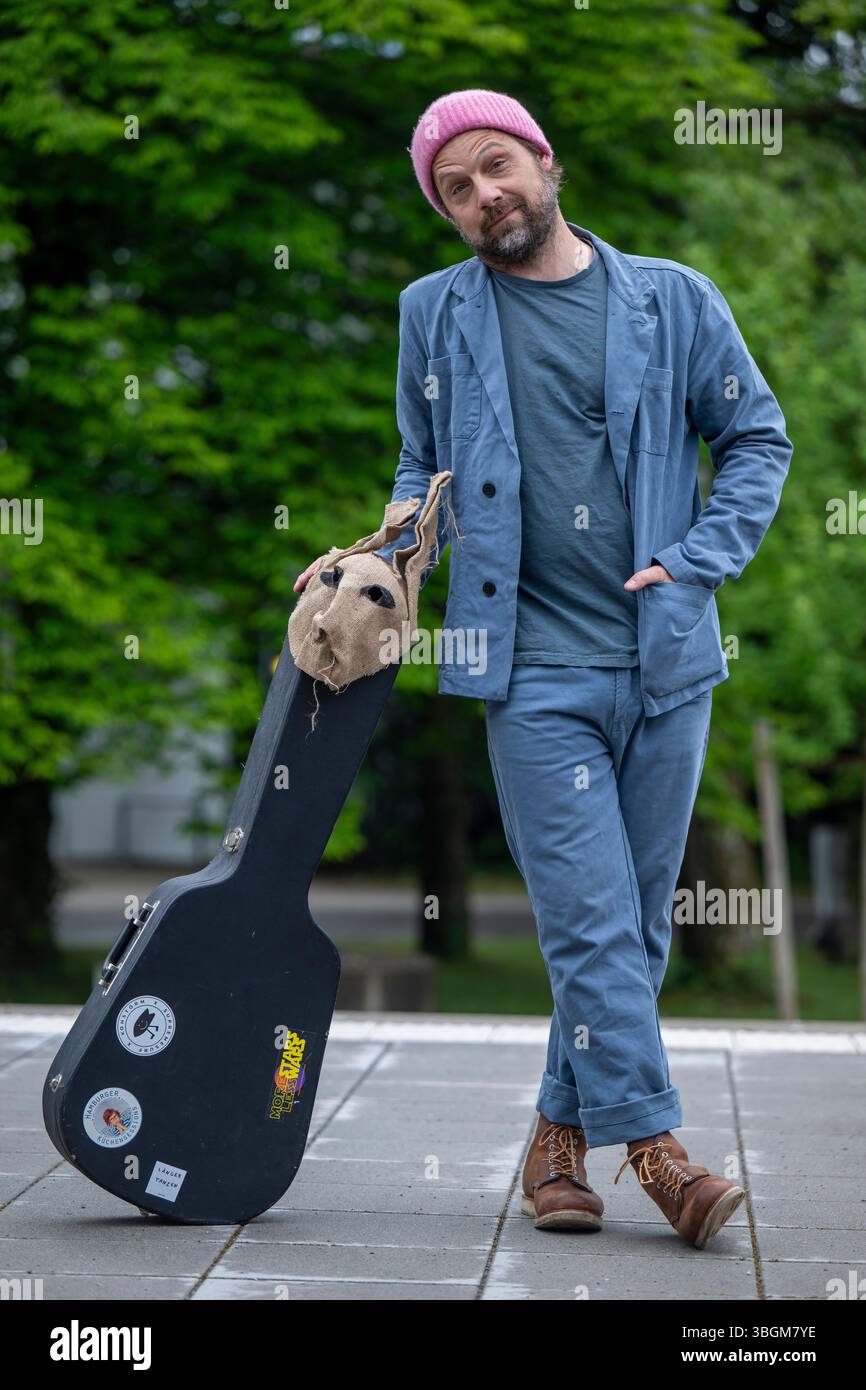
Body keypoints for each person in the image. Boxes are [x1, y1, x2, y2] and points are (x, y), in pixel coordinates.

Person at [295, 89, 793, 1250]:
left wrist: (697, 557)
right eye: (456, 190)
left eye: (494, 168)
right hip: (523, 670)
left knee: (631, 927)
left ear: (542, 160)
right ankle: (659, 1156)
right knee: (588, 921)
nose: (483, 196)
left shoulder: (672, 300)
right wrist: (372, 558)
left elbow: (756, 438)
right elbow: (421, 465)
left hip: (667, 660)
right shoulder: (434, 312)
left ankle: (554, 1143)